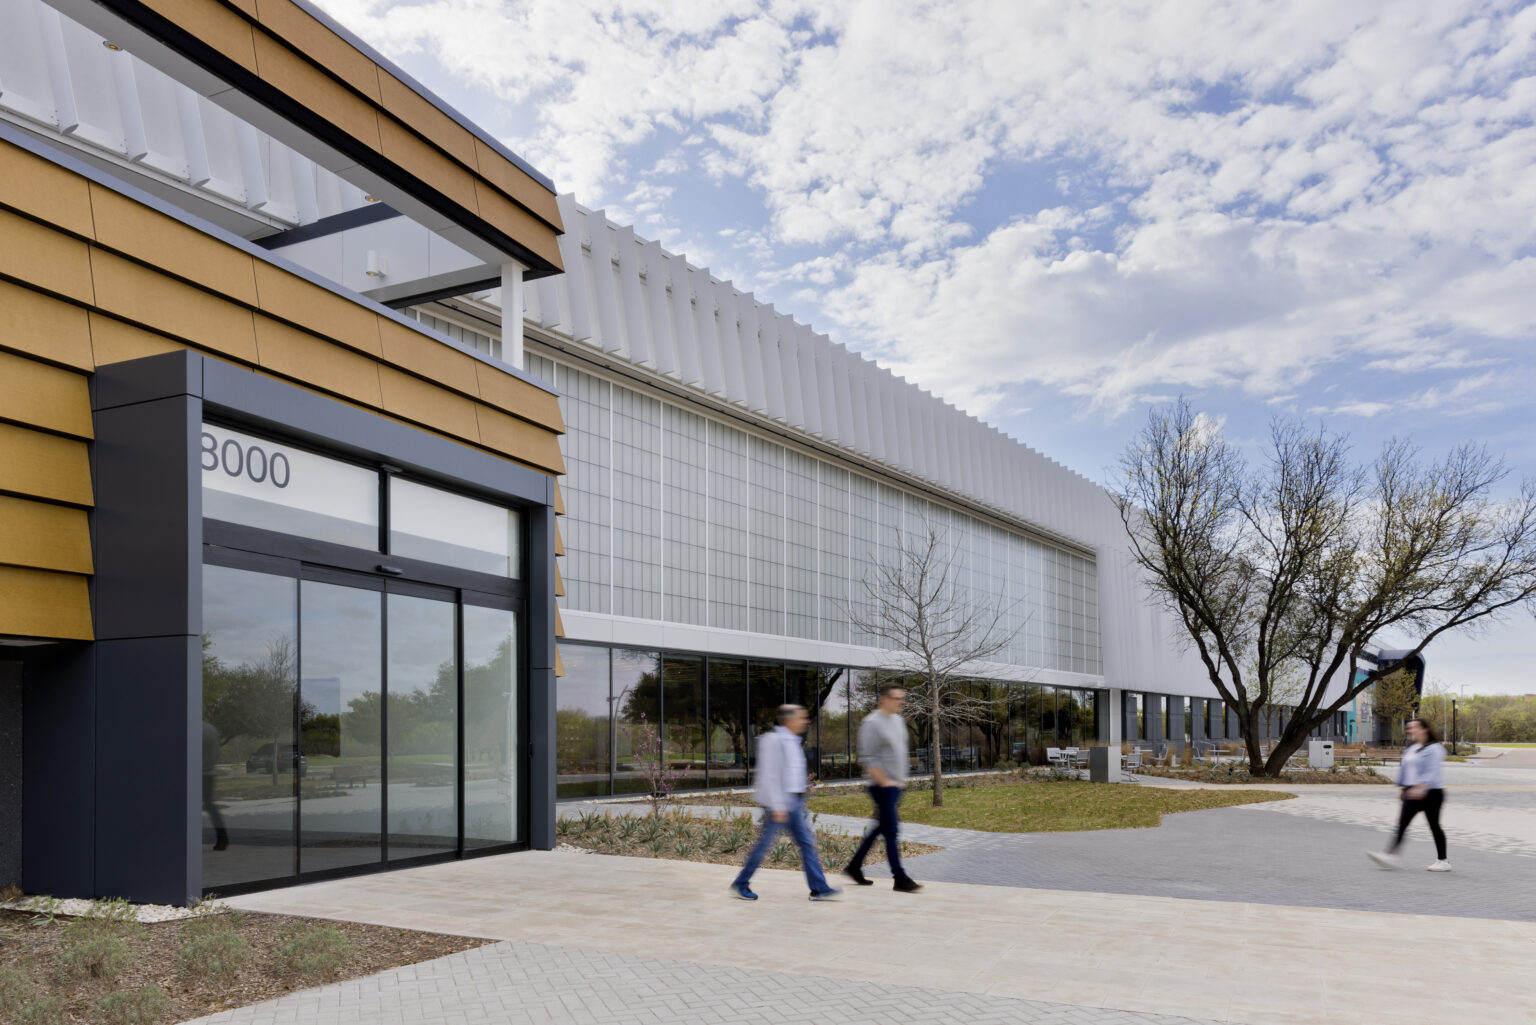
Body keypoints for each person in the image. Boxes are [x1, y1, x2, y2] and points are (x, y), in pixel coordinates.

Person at [731, 704, 841, 901]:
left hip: (794, 801)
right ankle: (741, 883)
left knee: (806, 843)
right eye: (801, 717)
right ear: (789, 720)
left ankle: (819, 888)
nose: (806, 721)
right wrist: (778, 806)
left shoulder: (793, 740)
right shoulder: (773, 740)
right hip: (780, 803)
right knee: (764, 845)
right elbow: (770, 775)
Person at [843, 682, 921, 892]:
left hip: (896, 786)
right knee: (891, 830)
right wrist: (885, 780)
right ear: (883, 699)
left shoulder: (898, 720)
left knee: (880, 827)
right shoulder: (872, 723)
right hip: (882, 786)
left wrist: (900, 782)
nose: (901, 702)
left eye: (902, 698)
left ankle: (854, 867)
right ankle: (899, 877)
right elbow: (868, 757)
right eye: (896, 698)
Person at [1368, 717, 1450, 872]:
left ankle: (1443, 861)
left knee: (1434, 826)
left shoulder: (1434, 748)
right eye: (1409, 728)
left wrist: (1422, 786)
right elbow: (1406, 769)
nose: (1410, 730)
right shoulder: (1411, 747)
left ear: (1424, 729)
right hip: (1412, 792)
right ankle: (1390, 855)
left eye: (1414, 727)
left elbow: (1432, 770)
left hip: (1431, 793)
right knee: (1402, 824)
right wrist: (1403, 787)